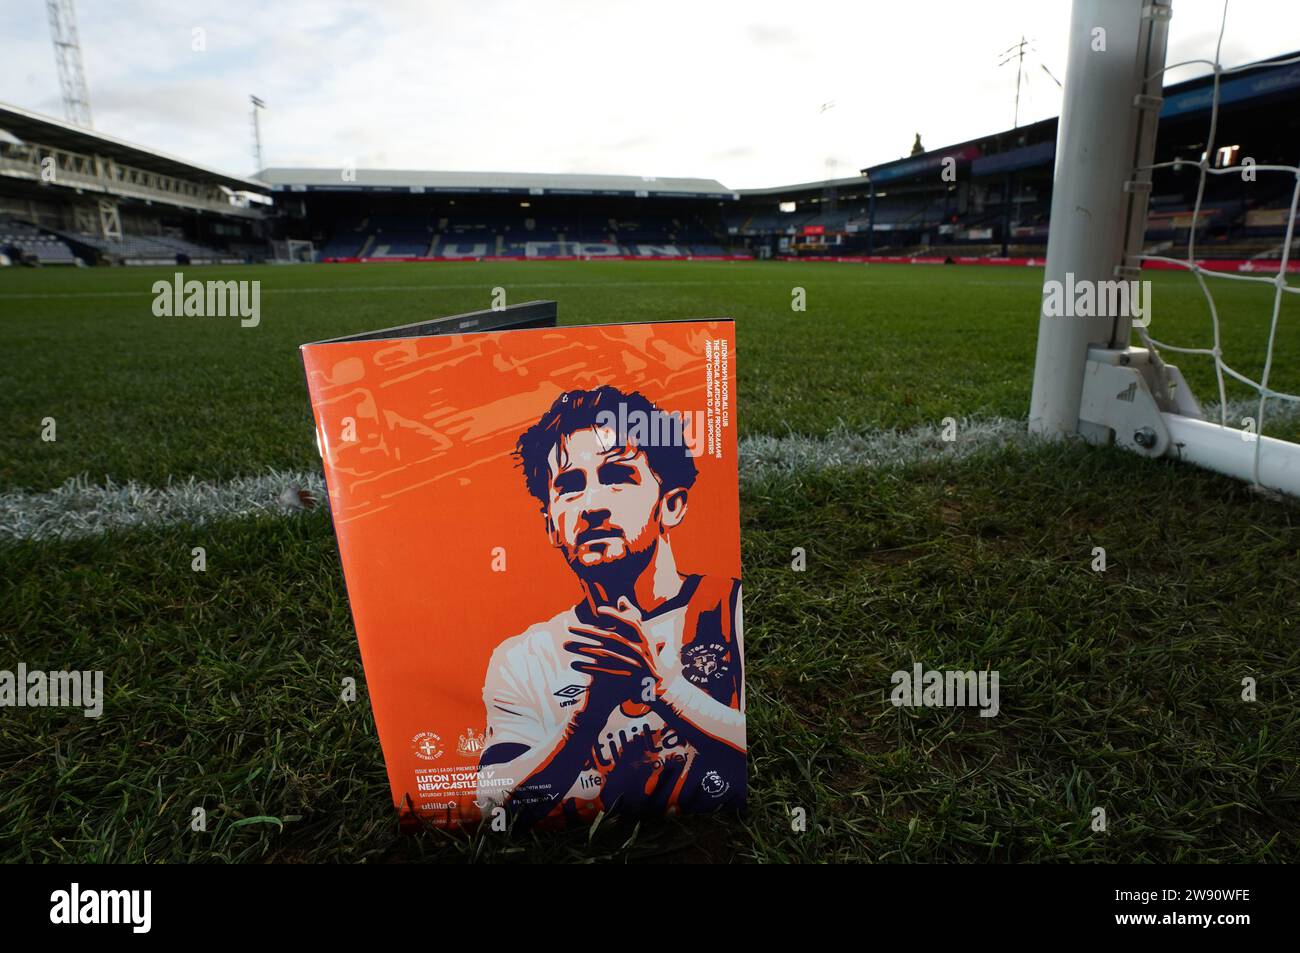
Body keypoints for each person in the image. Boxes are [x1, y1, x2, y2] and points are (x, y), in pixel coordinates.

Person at [476, 385, 744, 826]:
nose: (592, 505)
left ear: (672, 504)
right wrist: (584, 720)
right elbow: (491, 810)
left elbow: (756, 762)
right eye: (569, 486)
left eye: (618, 476)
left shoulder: (729, 606)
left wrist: (662, 689)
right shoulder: (522, 658)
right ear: (551, 526)